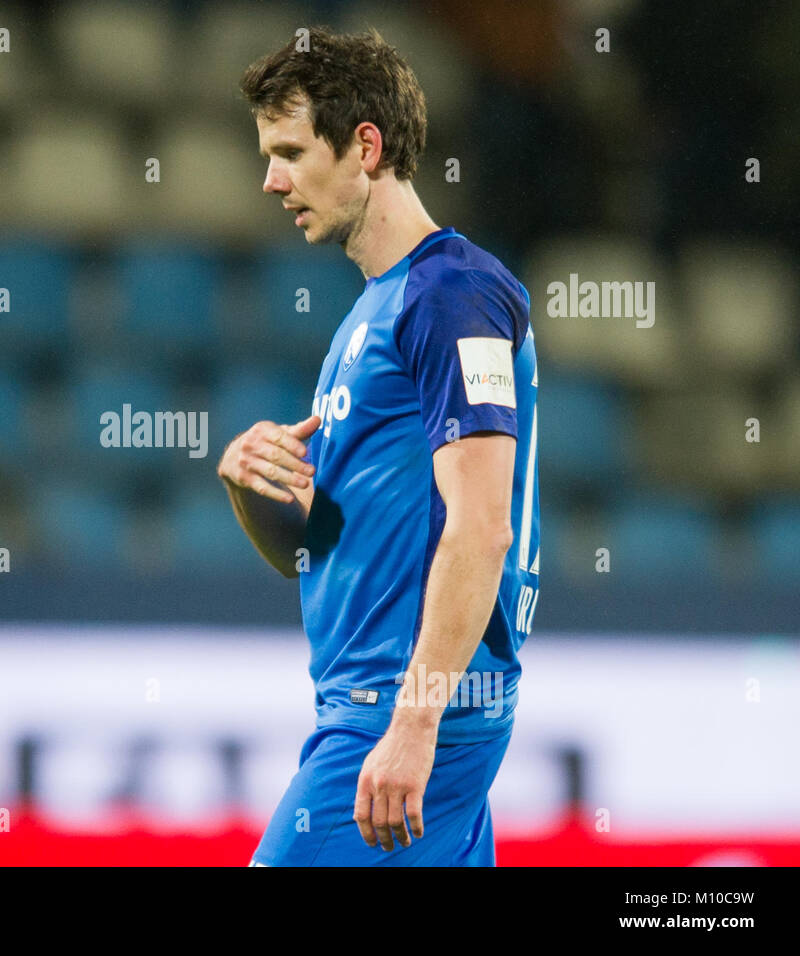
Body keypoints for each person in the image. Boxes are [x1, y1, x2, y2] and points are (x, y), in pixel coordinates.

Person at [219, 27, 540, 866]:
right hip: (375, 704)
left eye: (290, 151)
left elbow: (483, 526)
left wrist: (415, 721)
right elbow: (313, 555)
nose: (271, 178)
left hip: (403, 709)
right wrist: (250, 490)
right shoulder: (375, 311)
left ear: (366, 146)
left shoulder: (452, 293)